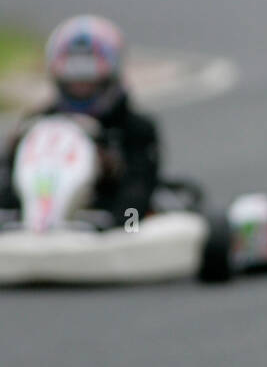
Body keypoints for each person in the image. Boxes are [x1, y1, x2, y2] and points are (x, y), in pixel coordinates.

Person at [0, 14, 160, 228]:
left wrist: (120, 220)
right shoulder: (37, 123)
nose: (80, 87)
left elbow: (138, 186)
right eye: (74, 81)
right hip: (37, 218)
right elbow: (9, 181)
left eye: (88, 81)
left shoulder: (133, 127)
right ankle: (37, 220)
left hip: (107, 216)